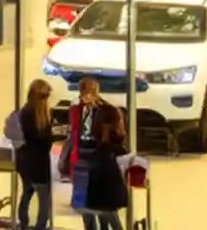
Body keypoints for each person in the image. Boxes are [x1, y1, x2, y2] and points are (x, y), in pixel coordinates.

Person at [60, 77, 105, 216]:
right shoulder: (77, 110)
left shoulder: (103, 111)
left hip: (95, 151)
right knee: (80, 181)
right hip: (80, 150)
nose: (82, 96)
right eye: (81, 93)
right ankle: (80, 203)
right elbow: (73, 131)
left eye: (85, 93)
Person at [17, 79, 55, 230]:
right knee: (44, 200)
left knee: (27, 194)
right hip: (38, 165)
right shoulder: (37, 116)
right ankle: (40, 227)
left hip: (25, 163)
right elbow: (43, 144)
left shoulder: (25, 112)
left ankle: (23, 224)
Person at [83, 104, 128, 230]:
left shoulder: (94, 149)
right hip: (108, 195)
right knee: (111, 218)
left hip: (98, 195)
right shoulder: (116, 151)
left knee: (104, 218)